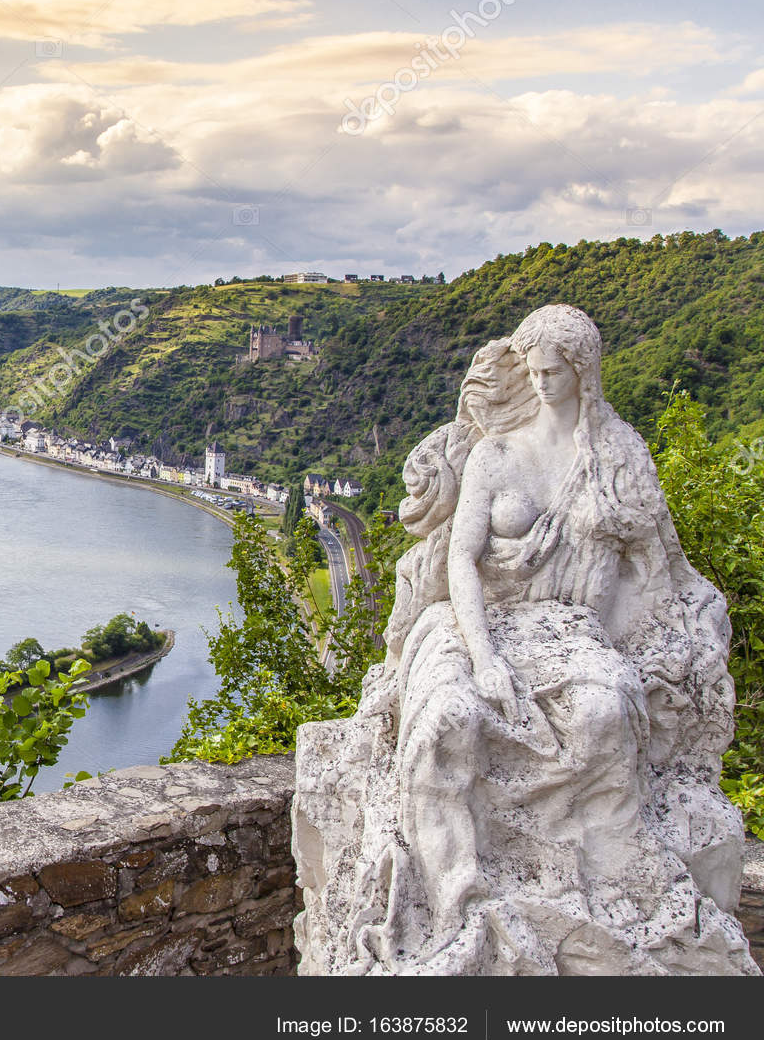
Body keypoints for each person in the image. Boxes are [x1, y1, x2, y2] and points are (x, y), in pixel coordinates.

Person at [293, 304, 756, 975]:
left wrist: (681, 633)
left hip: (571, 633)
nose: (538, 383)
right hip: (475, 625)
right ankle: (458, 903)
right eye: (530, 370)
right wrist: (483, 658)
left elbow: (657, 567)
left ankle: (588, 882)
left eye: (552, 371)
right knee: (446, 720)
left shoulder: (617, 456)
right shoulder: (496, 453)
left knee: (603, 712)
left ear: (582, 372)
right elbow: (460, 562)